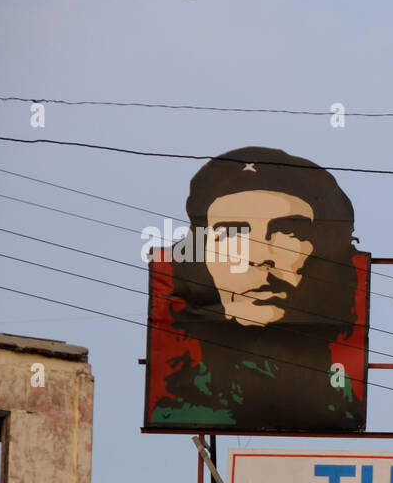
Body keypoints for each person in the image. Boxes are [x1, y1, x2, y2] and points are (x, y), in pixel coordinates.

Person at [145, 146, 368, 431]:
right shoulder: (172, 404)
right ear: (200, 256)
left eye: (289, 231)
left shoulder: (345, 396)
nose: (259, 256)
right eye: (231, 233)